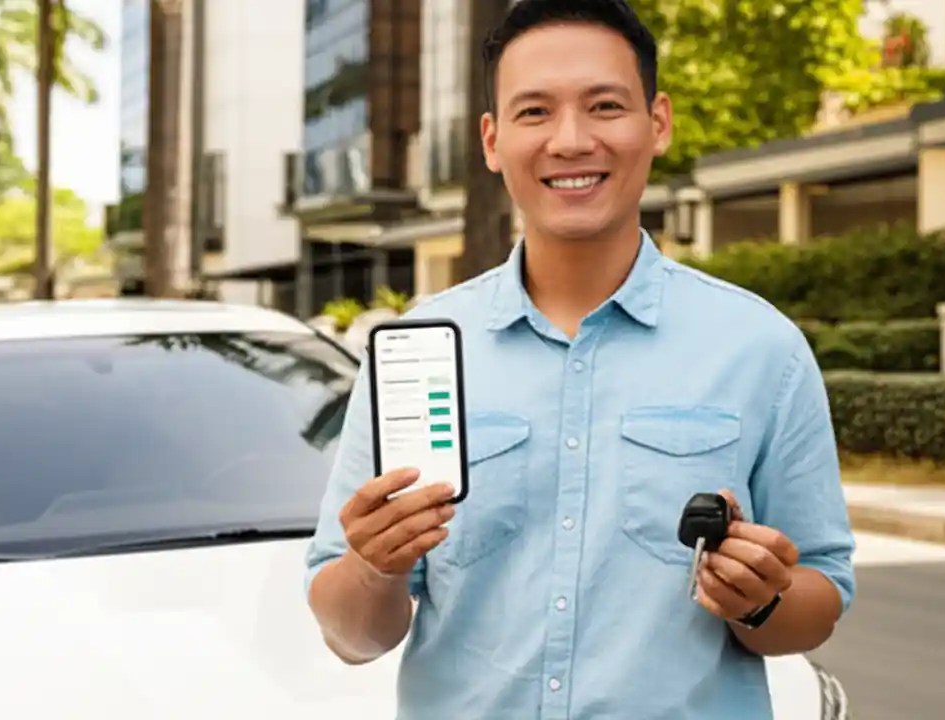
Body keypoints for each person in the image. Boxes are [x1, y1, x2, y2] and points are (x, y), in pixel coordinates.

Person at [302, 1, 857, 718]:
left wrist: (760, 600)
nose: (571, 141)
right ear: (492, 140)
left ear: (658, 122)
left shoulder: (760, 347)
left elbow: (819, 600)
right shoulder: (421, 347)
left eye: (605, 106)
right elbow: (351, 637)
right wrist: (374, 567)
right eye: (535, 112)